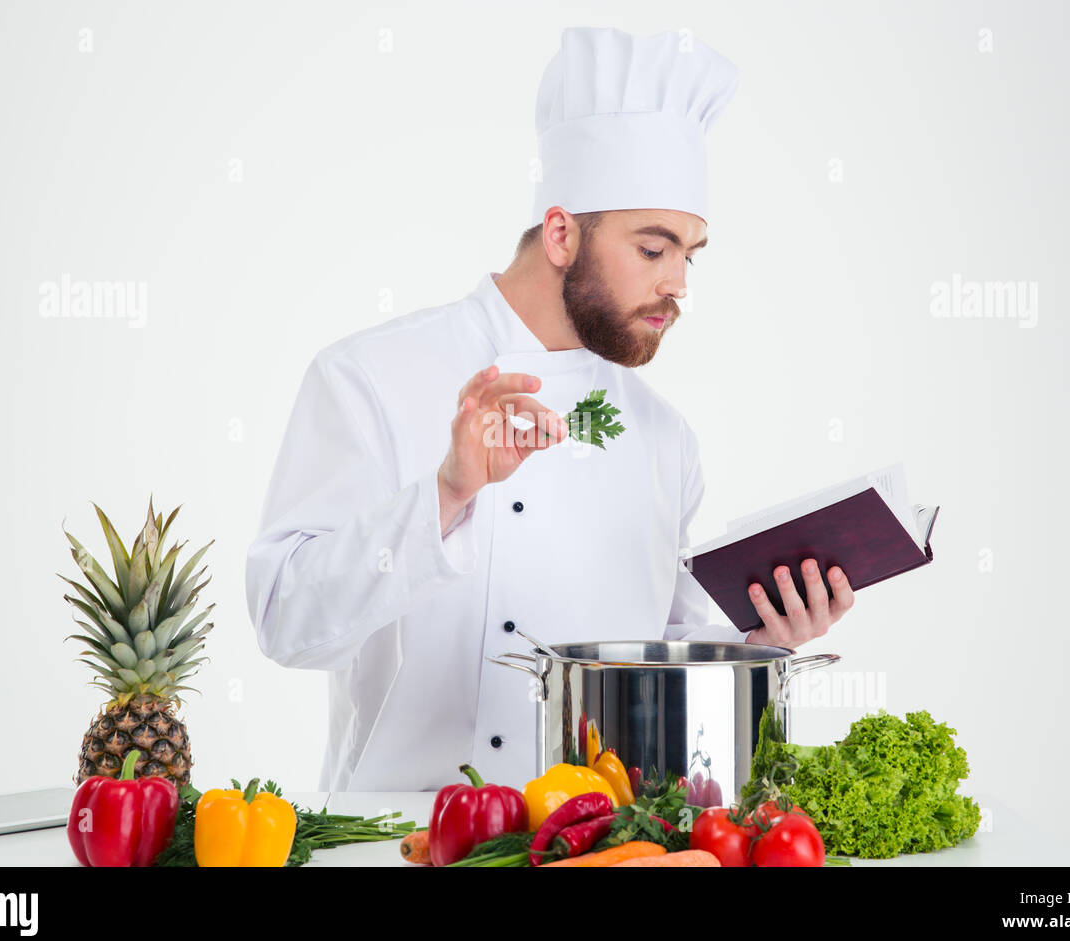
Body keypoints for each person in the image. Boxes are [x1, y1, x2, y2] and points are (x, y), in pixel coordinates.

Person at [245, 27, 855, 792]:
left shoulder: (666, 438)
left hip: (595, 839)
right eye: (653, 248)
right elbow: (285, 625)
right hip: (400, 838)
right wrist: (447, 494)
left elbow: (661, 654)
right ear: (562, 232)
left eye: (689, 255)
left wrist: (756, 637)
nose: (679, 285)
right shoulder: (371, 375)